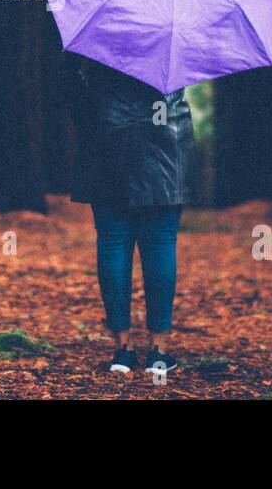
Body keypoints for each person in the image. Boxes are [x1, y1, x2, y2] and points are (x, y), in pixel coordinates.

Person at [64, 52, 194, 374]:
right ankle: (160, 351)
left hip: (107, 146)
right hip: (163, 151)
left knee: (112, 243)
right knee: (160, 244)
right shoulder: (174, 34)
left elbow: (74, 97)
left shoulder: (100, 35)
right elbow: (177, 109)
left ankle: (122, 349)